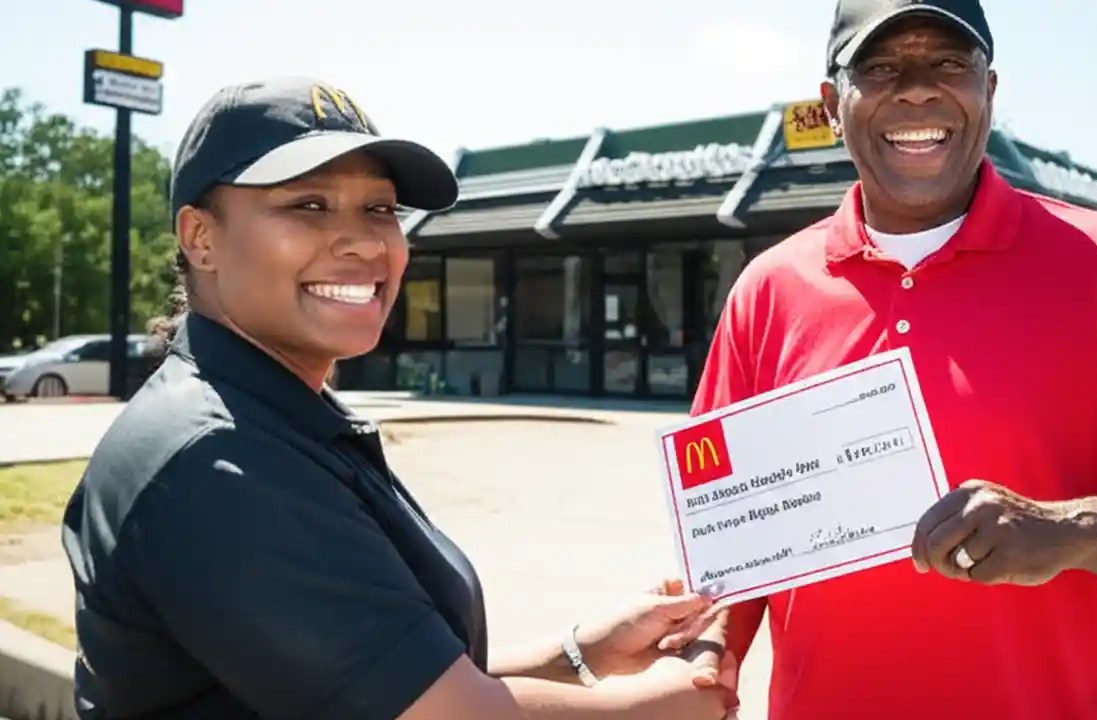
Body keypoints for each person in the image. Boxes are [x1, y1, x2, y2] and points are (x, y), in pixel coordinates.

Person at [61, 77, 736, 719]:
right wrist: (686, 693)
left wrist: (583, 652)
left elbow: (386, 675)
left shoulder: (268, 418)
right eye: (308, 204)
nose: (363, 241)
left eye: (380, 209)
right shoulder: (217, 459)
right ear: (201, 238)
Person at [691, 1, 1097, 718]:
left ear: (991, 89)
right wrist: (710, 653)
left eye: (950, 63)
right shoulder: (767, 291)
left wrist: (1064, 531)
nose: (919, 88)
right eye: (883, 66)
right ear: (834, 104)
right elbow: (729, 542)